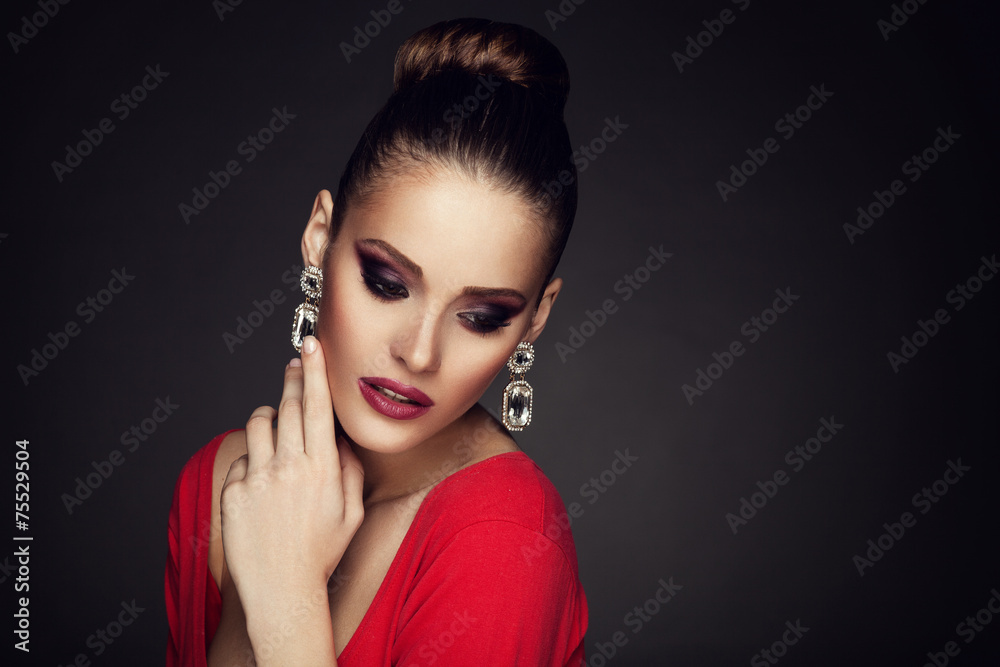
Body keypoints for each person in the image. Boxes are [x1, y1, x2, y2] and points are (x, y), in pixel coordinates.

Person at [165, 17, 588, 665]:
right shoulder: (220, 484)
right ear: (319, 237)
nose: (419, 353)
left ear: (534, 319)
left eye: (481, 316)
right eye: (387, 282)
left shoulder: (504, 539)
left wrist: (284, 603)